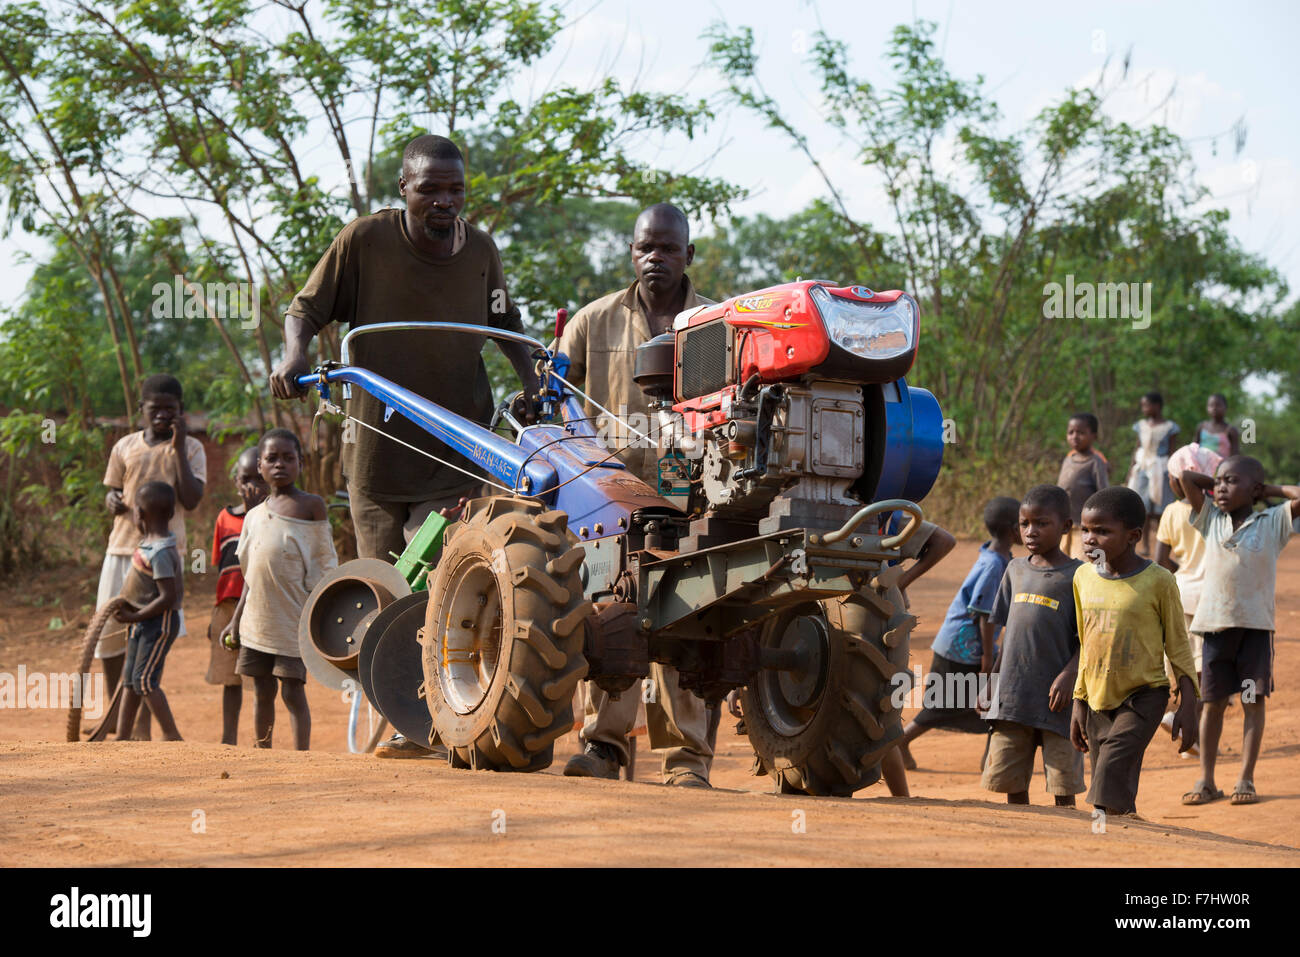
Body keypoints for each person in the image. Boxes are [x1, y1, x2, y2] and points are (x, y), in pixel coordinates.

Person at [269, 134, 539, 758]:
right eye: (430, 190)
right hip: (374, 455)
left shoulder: (481, 252)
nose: (445, 202)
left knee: (439, 582)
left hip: (452, 452)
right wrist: (295, 354)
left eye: (456, 191)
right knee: (385, 588)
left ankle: (437, 721)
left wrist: (534, 385)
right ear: (403, 191)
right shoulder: (364, 241)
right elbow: (304, 311)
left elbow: (505, 326)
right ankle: (400, 723)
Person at [557, 203, 720, 788]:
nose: (655, 259)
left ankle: (685, 761)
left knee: (683, 619)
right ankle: (603, 748)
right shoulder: (593, 322)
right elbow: (552, 395)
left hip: (688, 492)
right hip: (608, 497)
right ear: (631, 253)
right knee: (610, 615)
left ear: (688, 255)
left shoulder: (713, 325)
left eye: (668, 249)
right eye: (644, 248)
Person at [1177, 456, 1299, 806]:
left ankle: (1245, 778)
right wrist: (1219, 481)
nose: (1221, 488)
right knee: (1212, 703)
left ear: (1255, 489)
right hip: (1214, 629)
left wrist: (1269, 492)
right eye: (1218, 482)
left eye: (1231, 481)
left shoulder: (1272, 520)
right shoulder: (1211, 519)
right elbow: (1186, 477)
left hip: (1255, 631)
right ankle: (1207, 780)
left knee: (1250, 701)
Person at [1070, 487, 1199, 817]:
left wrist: (1188, 704)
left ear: (1133, 535)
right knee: (1118, 785)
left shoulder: (1158, 580)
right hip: (1098, 695)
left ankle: (1099, 825)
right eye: (1085, 530)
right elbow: (1086, 643)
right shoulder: (1083, 577)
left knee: (1111, 765)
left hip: (1144, 694)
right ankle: (1125, 840)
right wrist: (1078, 700)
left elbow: (1178, 644)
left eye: (1102, 531)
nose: (1089, 539)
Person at [95, 373, 206, 739]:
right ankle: (114, 712)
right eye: (154, 409)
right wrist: (111, 499)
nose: (161, 415)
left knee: (148, 632)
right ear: (141, 410)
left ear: (181, 412)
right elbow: (112, 491)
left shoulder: (190, 449)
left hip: (161, 554)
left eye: (169, 410)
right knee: (112, 634)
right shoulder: (124, 446)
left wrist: (178, 447)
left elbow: (190, 499)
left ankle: (141, 722)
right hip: (122, 549)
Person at [221, 429, 338, 751]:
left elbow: (323, 563)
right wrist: (235, 621)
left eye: (288, 458)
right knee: (261, 690)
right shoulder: (254, 516)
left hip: (292, 621)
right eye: (271, 459)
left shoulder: (311, 506)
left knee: (291, 689)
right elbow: (249, 576)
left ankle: (302, 755)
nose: (279, 465)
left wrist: (319, 616)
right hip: (257, 621)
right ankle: (263, 750)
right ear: (259, 465)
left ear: (301, 463)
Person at [895, 496, 1020, 771]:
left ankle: (991, 758)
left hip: (960, 645)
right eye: (1024, 523)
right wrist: (989, 656)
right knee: (950, 702)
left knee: (984, 701)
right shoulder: (995, 565)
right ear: (1013, 529)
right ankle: (901, 742)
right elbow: (985, 615)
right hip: (965, 648)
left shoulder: (993, 555)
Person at [981, 485, 1084, 807]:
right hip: (1014, 698)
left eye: (1041, 523)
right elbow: (1007, 634)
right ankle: (1020, 846)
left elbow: (1090, 639)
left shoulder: (1079, 576)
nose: (1031, 531)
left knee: (1062, 786)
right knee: (1011, 783)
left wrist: (1070, 674)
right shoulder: (1015, 570)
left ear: (1066, 526)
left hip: (1058, 704)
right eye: (1024, 524)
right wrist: (991, 685)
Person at [874, 513, 957, 796]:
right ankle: (902, 799)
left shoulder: (885, 516)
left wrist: (900, 583)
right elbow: (944, 540)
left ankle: (902, 800)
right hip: (880, 622)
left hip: (880, 623)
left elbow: (944, 541)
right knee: (884, 716)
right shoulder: (884, 511)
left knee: (883, 715)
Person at [1155, 442, 1223, 756]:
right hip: (1210, 598)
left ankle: (1186, 733)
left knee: (1185, 666)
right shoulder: (1218, 512)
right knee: (1204, 671)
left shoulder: (1170, 512)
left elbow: (1161, 559)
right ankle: (1183, 723)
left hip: (1180, 593)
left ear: (1176, 481)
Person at [111, 481, 186, 741]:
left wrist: (134, 616)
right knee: (130, 679)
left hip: (159, 623)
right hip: (142, 622)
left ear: (139, 514)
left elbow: (168, 597)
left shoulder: (161, 552)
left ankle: (172, 736)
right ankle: (122, 737)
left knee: (144, 680)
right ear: (172, 514)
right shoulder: (149, 545)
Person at [207, 448, 267, 746]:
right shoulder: (224, 519)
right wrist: (216, 612)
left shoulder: (268, 517)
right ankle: (227, 740)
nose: (251, 487)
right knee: (229, 679)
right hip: (228, 606)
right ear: (235, 482)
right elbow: (221, 566)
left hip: (258, 606)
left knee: (257, 676)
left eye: (258, 479)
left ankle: (261, 741)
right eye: (245, 480)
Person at [1125, 391, 1180, 557]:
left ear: (1157, 406)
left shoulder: (1170, 428)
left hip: (1161, 470)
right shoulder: (1141, 425)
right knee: (1144, 509)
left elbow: (1171, 452)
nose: (1144, 409)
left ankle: (1163, 546)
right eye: (1143, 405)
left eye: (1146, 405)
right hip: (1142, 469)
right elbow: (1137, 448)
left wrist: (1174, 472)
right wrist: (1130, 471)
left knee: (1162, 510)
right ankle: (1145, 545)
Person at [1057, 412, 1109, 560]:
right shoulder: (1068, 459)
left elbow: (1103, 494)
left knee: (1082, 562)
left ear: (1093, 436)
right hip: (1064, 524)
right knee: (1062, 560)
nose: (1074, 436)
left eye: (1080, 433)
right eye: (1071, 432)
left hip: (1084, 528)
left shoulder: (1096, 462)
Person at [1192, 393, 1240, 459]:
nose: (1214, 408)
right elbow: (1193, 448)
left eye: (1218, 405)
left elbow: (1235, 456)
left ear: (1225, 407)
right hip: (1200, 467)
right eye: (1211, 405)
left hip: (1222, 467)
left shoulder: (1231, 430)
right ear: (1207, 408)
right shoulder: (1201, 427)